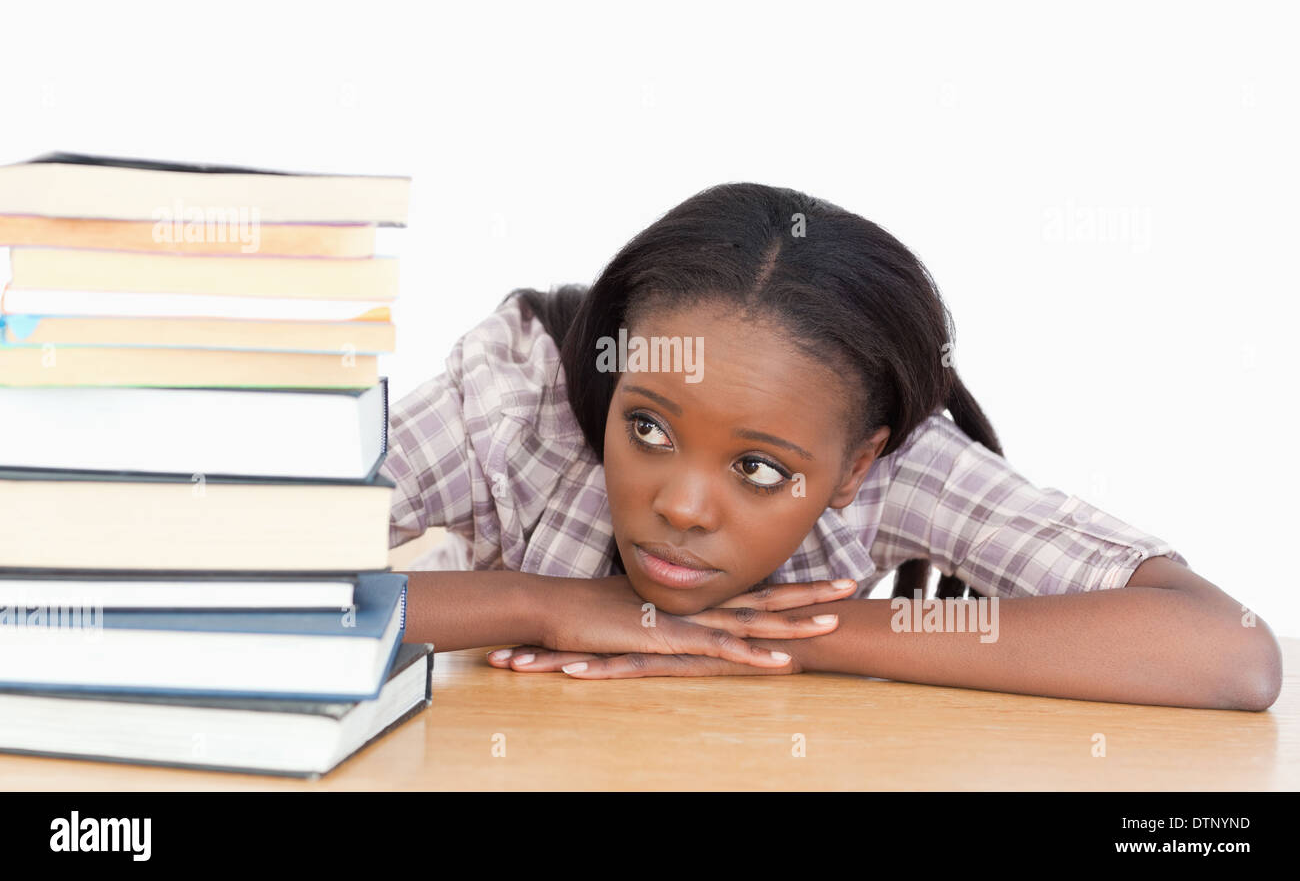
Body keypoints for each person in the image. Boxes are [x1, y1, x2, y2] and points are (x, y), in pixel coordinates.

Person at [385, 182, 1281, 710]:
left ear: (857, 467)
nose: (683, 507)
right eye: (647, 427)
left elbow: (1228, 652)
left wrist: (797, 637)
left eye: (760, 469)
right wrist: (538, 604)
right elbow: (243, 574)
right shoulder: (517, 401)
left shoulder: (901, 466)